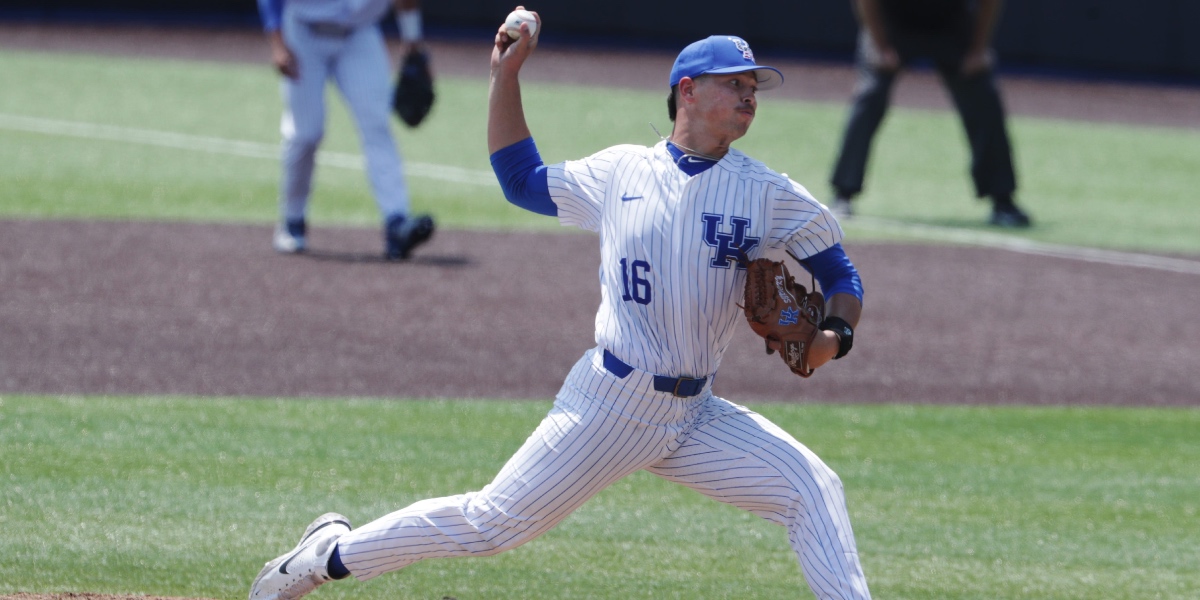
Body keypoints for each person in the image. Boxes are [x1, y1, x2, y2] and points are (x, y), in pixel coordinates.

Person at [248, 10, 872, 600]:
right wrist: (506, 75)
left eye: (754, 87)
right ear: (687, 91)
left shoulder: (768, 194)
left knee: (812, 489)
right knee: (489, 525)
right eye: (733, 83)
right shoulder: (620, 172)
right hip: (610, 406)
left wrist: (830, 338)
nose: (748, 95)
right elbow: (520, 179)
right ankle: (325, 557)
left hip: (696, 415)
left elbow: (839, 272)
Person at [256, 0, 435, 259]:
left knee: (377, 126)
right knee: (306, 133)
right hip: (303, 32)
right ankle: (292, 221)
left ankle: (397, 223)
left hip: (359, 35)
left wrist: (413, 44)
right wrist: (277, 42)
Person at [829, 0, 1032, 227]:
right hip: (893, 21)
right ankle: (842, 193)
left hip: (950, 23)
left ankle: (1003, 200)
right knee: (870, 93)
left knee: (982, 95)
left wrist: (978, 49)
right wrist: (880, 46)